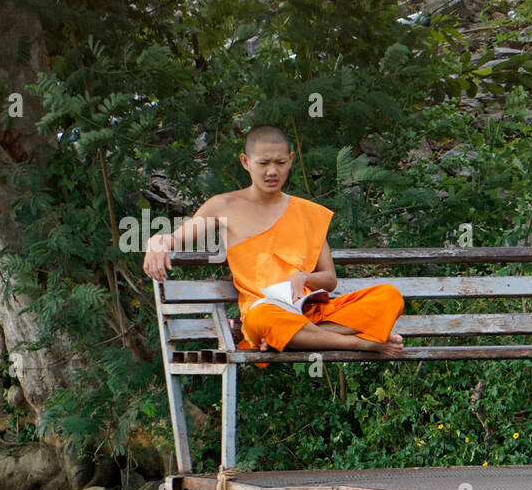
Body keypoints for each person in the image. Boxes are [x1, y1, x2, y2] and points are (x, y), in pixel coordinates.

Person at [141, 124, 405, 357]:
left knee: (389, 297)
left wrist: (304, 277)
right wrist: (157, 242)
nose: (272, 171)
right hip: (264, 313)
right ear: (246, 161)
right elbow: (177, 238)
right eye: (263, 162)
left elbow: (329, 279)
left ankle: (292, 340)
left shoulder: (307, 212)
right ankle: (363, 344)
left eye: (280, 163)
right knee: (265, 318)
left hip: (308, 311)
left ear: (291, 160)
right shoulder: (224, 206)